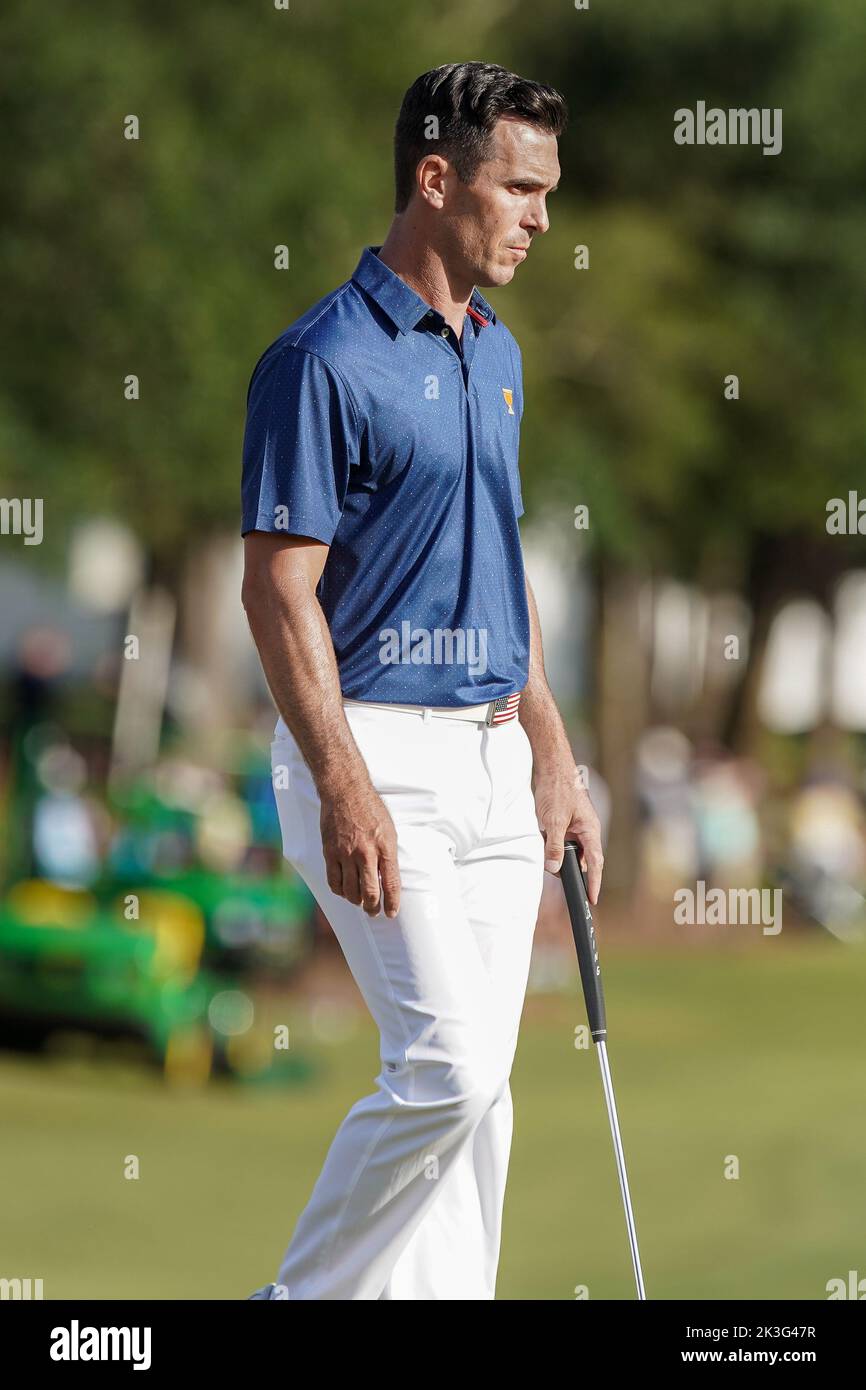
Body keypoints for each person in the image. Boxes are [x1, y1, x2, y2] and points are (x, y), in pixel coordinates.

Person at [240, 61, 603, 1301]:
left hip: (497, 756)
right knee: (445, 1069)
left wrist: (552, 753)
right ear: (435, 179)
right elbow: (276, 592)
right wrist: (342, 783)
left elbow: (502, 568)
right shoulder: (318, 360)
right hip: (373, 751)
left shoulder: (496, 356)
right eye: (519, 187)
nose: (540, 218)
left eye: (546, 192)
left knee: (482, 1098)